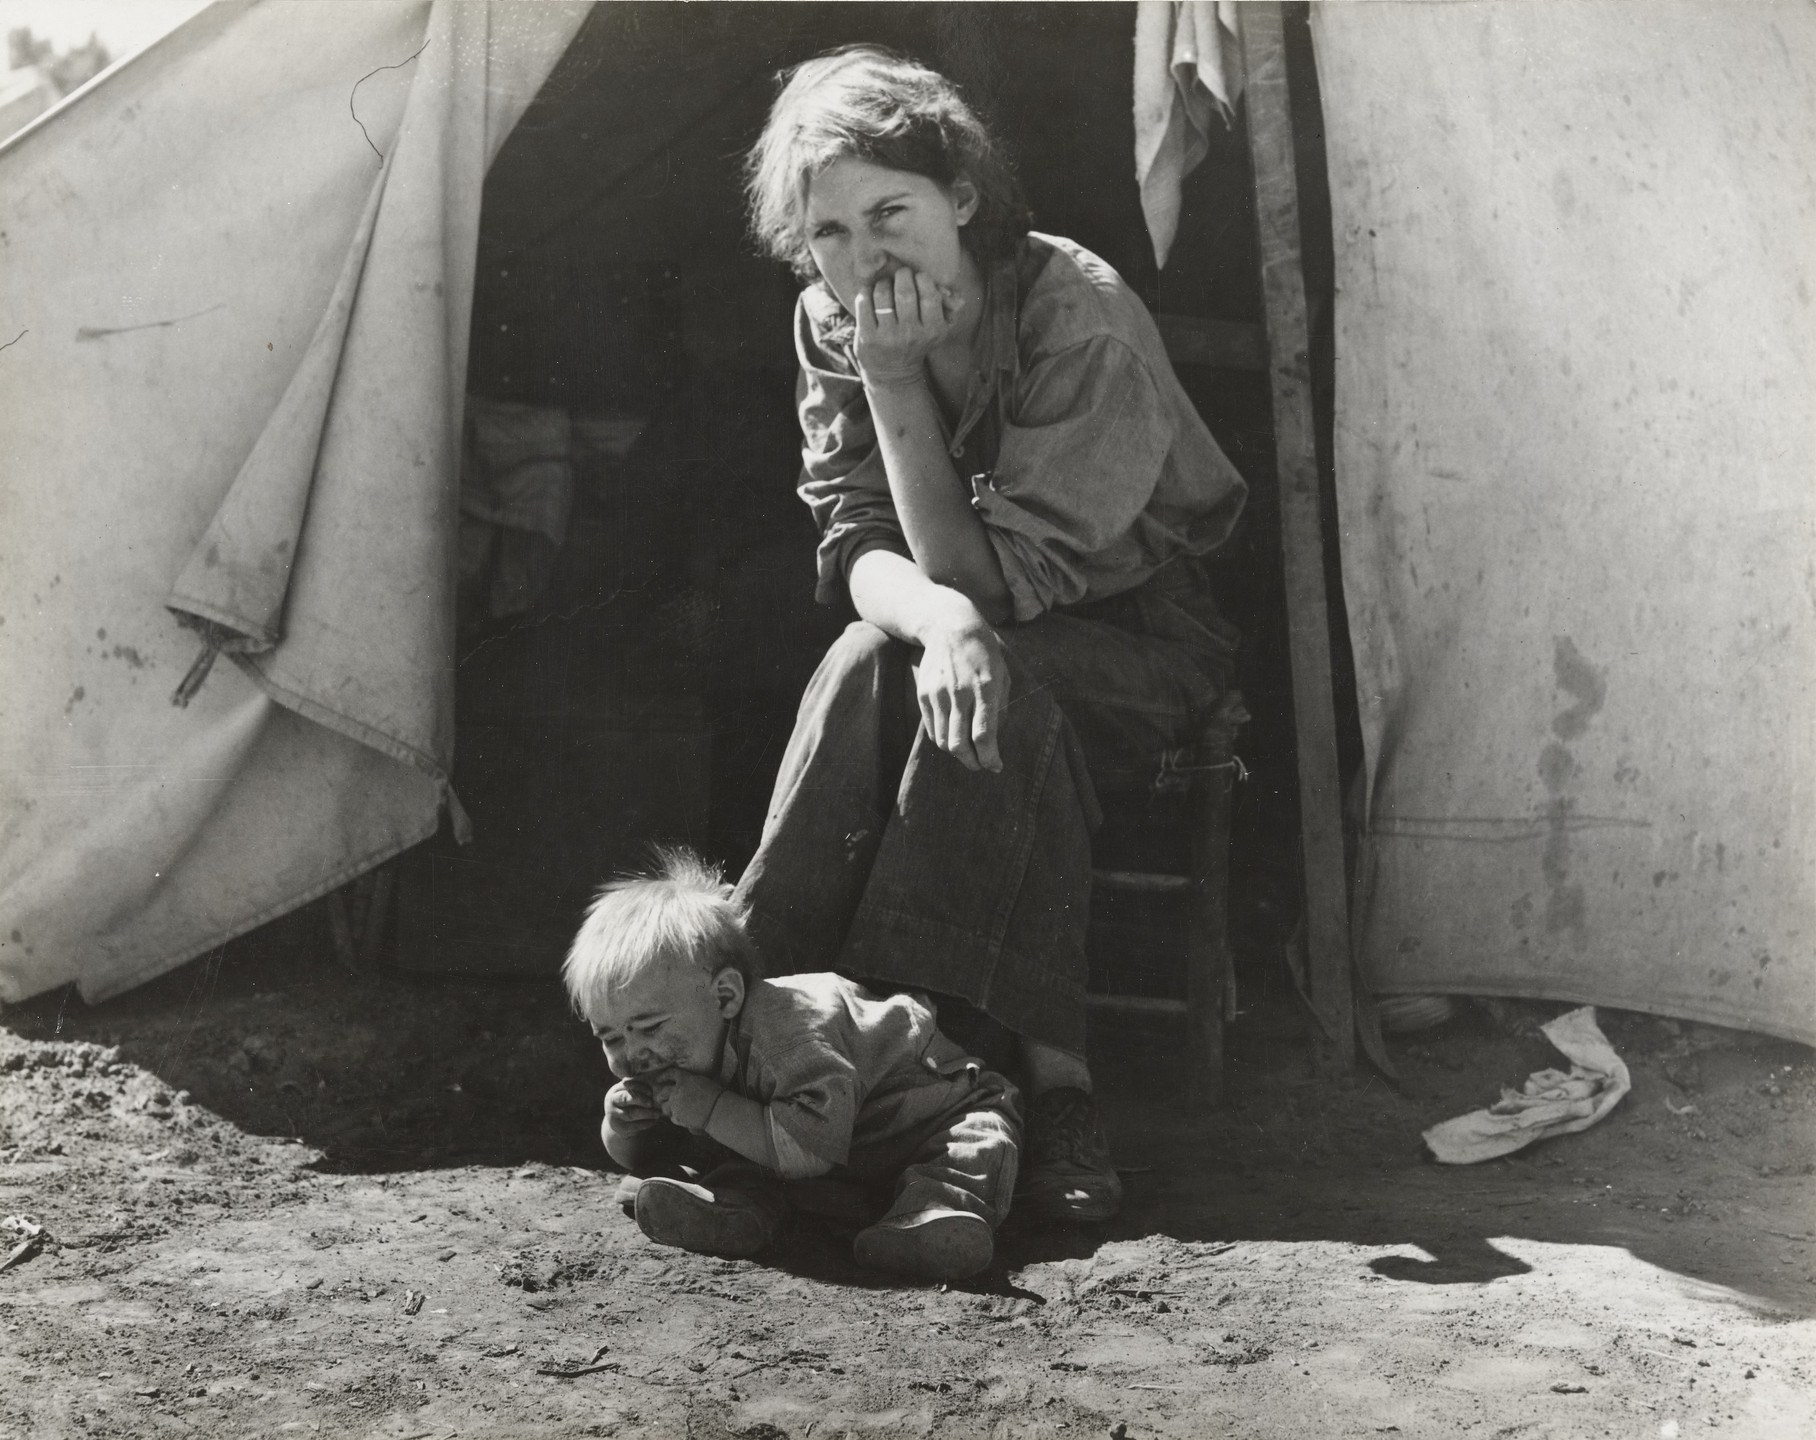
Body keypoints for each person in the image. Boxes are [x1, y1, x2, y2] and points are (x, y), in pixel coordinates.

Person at [735, 46, 1247, 1223]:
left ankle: (978, 1088)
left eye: (890, 214)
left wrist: (898, 382)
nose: (863, 261)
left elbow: (997, 581)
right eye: (829, 235)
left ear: (960, 198)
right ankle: (766, 1033)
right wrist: (939, 618)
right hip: (973, 623)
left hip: (1141, 635)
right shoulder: (834, 320)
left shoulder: (1082, 322)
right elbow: (858, 541)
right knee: (875, 655)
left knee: (992, 685)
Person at [566, 848, 1022, 1282]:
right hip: (835, 1159)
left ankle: (929, 1220)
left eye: (649, 1026)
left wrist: (709, 1110)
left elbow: (809, 1150)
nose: (632, 1054)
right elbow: (668, 1142)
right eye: (609, 1035)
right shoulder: (688, 1047)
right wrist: (624, 1128)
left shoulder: (788, 1035)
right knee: (740, 1154)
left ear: (725, 996)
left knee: (973, 1147)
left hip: (925, 1121)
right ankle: (732, 1213)